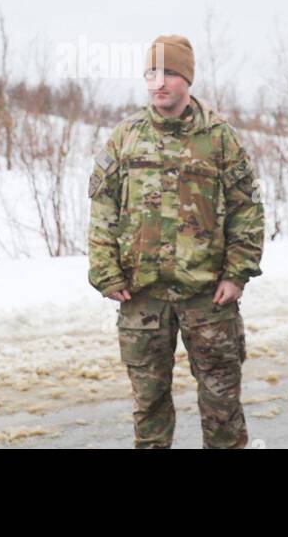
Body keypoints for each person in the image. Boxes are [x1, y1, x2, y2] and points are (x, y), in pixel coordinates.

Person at [87, 35, 264, 448]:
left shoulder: (220, 138)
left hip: (208, 297)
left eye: (169, 73)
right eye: (151, 73)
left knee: (222, 405)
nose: (158, 82)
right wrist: (106, 272)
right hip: (142, 296)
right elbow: (102, 208)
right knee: (148, 405)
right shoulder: (125, 136)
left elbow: (248, 209)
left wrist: (238, 273)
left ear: (188, 78)